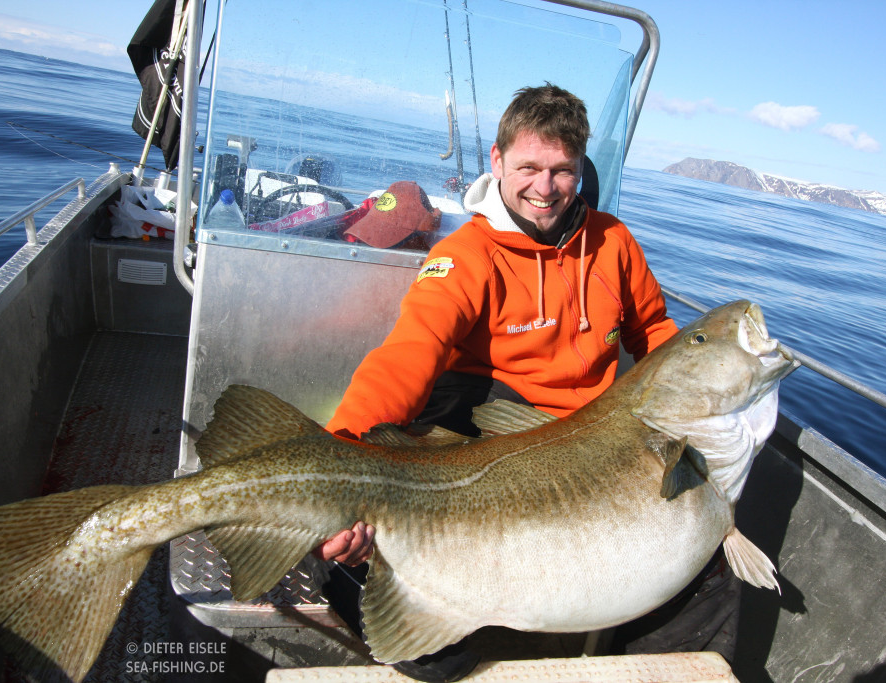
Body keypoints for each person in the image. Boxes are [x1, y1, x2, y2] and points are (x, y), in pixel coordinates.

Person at [314, 83, 739, 680]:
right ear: (497, 161)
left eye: (563, 171)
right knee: (413, 613)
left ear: (581, 168)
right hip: (487, 425)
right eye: (529, 168)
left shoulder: (614, 243)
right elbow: (410, 353)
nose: (545, 188)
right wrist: (342, 451)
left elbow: (656, 333)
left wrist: (714, 386)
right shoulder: (465, 256)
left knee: (704, 568)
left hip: (593, 445)